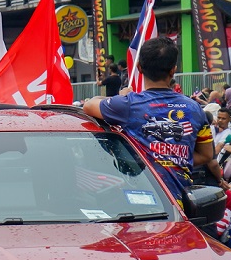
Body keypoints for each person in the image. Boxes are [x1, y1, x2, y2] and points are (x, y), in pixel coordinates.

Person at [82, 38, 220, 199]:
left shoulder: (128, 104)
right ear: (173, 70)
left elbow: (89, 105)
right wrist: (173, 158)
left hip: (140, 202)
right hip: (180, 204)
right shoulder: (194, 108)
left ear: (139, 67)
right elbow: (206, 155)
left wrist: (121, 96)